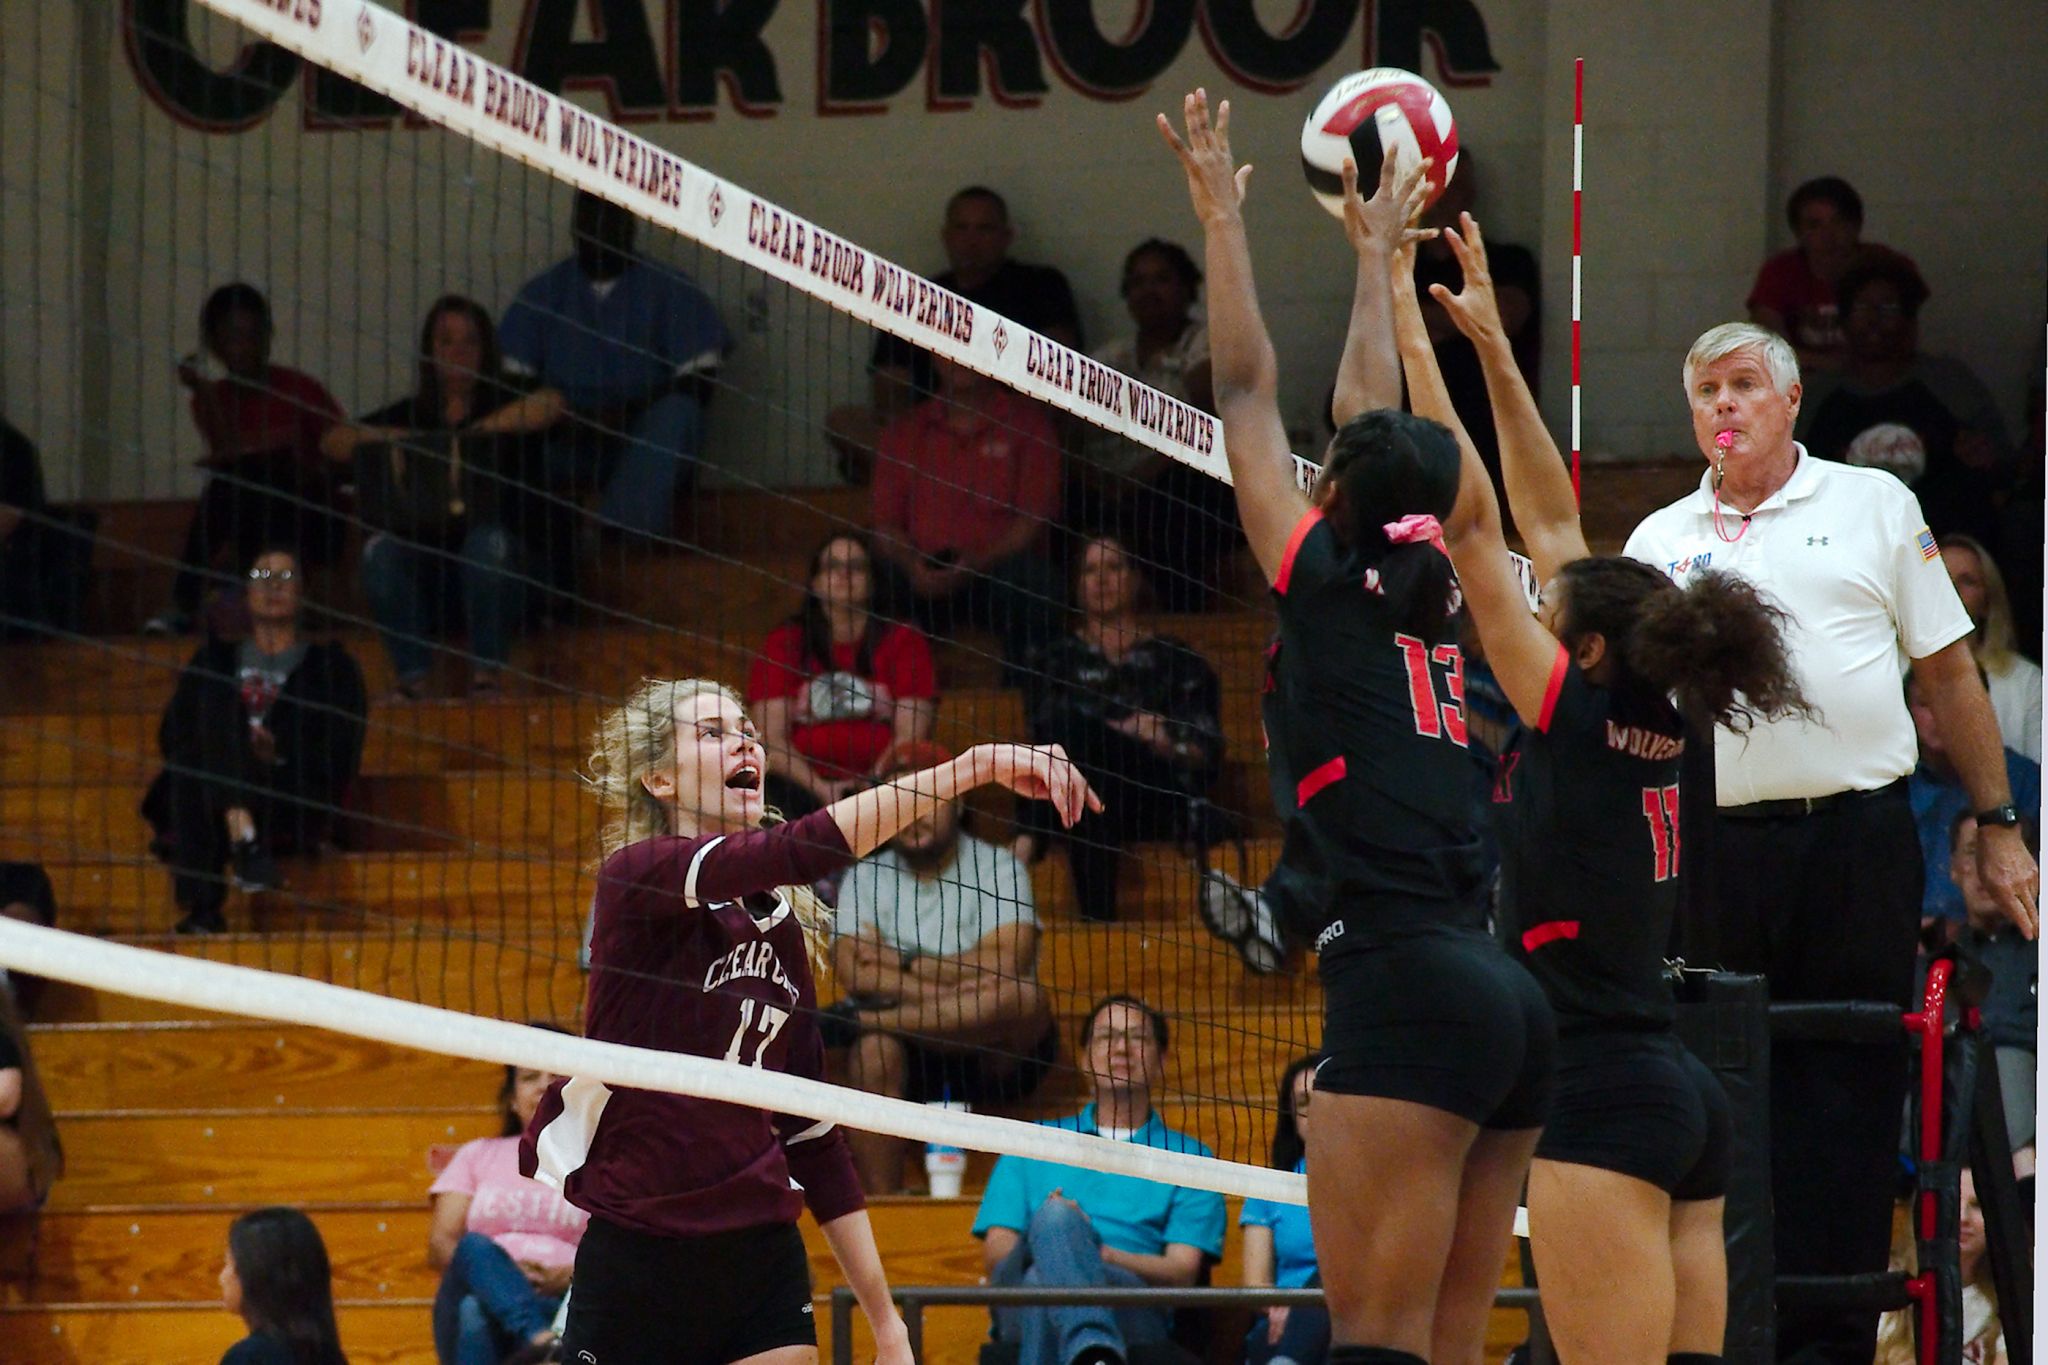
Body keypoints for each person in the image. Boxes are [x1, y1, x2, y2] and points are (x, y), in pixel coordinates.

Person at [1160, 93, 1553, 1365]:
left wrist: (1223, 222)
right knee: (1446, 1347)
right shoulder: (1436, 572)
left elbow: (1241, 388)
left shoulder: (1320, 577)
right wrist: (1378, 259)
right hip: (1504, 993)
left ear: (1328, 492)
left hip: (1403, 979)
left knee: (1376, 1346)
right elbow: (1362, 411)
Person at [1395, 213, 1820, 1363]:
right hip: (1680, 1093)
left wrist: (1405, 311)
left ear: (1578, 651)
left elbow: (1473, 520)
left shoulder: (1569, 713)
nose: (1531, 609)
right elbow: (1546, 518)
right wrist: (1493, 344)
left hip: (1595, 1089)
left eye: (1545, 612)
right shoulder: (1662, 709)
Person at [1624, 318, 2040, 1365]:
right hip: (1712, 852)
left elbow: (1947, 672)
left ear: (1791, 399)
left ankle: (1832, 1345)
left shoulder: (1873, 505)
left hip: (1854, 843)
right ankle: (1724, 1338)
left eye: (1742, 385)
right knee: (1721, 1089)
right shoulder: (1656, 541)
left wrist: (1998, 825)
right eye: (1705, 391)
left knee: (1847, 1090)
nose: (1723, 405)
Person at [520, 676, 1098, 1364]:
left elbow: (811, 1133)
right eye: (712, 732)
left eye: (748, 731)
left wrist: (886, 1321)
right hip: (640, 1245)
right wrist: (971, 768)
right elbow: (800, 849)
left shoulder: (780, 929)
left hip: (759, 1255)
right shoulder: (636, 876)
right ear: (660, 779)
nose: (744, 742)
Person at [1010, 536, 1264, 962]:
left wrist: (1161, 739)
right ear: (1076, 584)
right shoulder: (1054, 660)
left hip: (1154, 798)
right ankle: (1097, 925)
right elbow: (1045, 734)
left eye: (1113, 568)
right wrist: (1135, 729)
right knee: (1081, 760)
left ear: (1135, 578)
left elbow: (1206, 754)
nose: (1102, 580)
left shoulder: (1177, 660)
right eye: (1090, 570)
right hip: (1081, 802)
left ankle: (1034, 847)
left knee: (1077, 747)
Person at [830, 740, 1056, 1194]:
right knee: (873, 1053)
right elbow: (856, 974)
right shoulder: (864, 875)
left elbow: (1006, 965)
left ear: (959, 802)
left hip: (991, 1050)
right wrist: (959, 987)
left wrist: (902, 961)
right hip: (911, 1051)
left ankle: (863, 1021)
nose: (913, 814)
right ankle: (886, 1205)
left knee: (1022, 998)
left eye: (925, 799)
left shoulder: (999, 867)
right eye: (899, 802)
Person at [322, 296, 561, 699]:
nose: (458, 352)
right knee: (379, 552)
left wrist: (473, 436)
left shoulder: (507, 397)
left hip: (505, 573)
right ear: (430, 352)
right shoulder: (414, 412)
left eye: (470, 341)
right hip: (432, 576)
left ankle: (487, 676)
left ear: (486, 350)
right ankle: (412, 679)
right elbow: (334, 440)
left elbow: (553, 404)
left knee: (487, 545)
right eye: (446, 341)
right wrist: (419, 441)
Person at [971, 994, 1228, 1365]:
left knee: (1043, 1281)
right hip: (1020, 1294)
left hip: (1131, 1302)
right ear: (1084, 1058)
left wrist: (1092, 1252)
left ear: (1162, 1061)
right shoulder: (1032, 1143)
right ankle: (1093, 1346)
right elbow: (996, 1256)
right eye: (1107, 1037)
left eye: (1137, 1037)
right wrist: (1056, 1237)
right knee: (1055, 1221)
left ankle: (1088, 1345)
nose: (1121, 1048)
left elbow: (1181, 1271)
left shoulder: (1191, 1158)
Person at [142, 547, 368, 935]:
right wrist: (238, 748)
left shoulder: (332, 667)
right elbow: (173, 733)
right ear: (246, 593)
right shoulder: (213, 659)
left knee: (199, 764)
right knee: (212, 713)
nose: (273, 585)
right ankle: (243, 835)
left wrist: (278, 753)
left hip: (287, 789)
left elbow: (341, 746)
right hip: (206, 787)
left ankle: (203, 910)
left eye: (285, 577)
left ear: (303, 593)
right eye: (262, 576)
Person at [499, 190, 729, 546]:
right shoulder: (542, 294)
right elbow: (511, 384)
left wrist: (626, 416)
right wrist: (570, 419)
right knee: (508, 428)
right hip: (563, 442)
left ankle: (618, 537)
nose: (600, 227)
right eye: (590, 216)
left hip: (642, 441)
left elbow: (700, 383)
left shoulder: (671, 289)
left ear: (631, 224)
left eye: (611, 216)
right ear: (575, 225)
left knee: (679, 414)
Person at [827, 187, 1081, 482]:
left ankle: (942, 480)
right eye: (962, 228)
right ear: (946, 236)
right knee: (843, 421)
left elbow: (1060, 373)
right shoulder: (915, 297)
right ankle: (948, 477)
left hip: (1012, 431)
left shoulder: (1040, 285)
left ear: (1006, 236)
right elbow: (889, 387)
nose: (972, 240)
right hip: (932, 437)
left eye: (984, 229)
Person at [145, 284, 345, 637]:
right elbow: (230, 453)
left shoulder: (301, 389)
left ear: (268, 337)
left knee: (269, 481)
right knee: (233, 484)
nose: (244, 348)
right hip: (251, 517)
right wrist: (204, 392)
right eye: (232, 338)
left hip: (309, 512)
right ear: (215, 345)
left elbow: (342, 452)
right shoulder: (213, 399)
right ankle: (188, 602)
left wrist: (304, 467)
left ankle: (276, 600)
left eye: (253, 336)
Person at [1796, 255, 2015, 555]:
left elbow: (2006, 465)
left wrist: (1986, 456)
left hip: (1942, 551)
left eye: (1888, 308)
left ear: (1910, 321)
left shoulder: (1949, 382)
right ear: (1843, 320)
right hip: (1843, 550)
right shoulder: (1817, 394)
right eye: (1862, 308)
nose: (1874, 319)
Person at [868, 355, 1064, 676]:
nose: (960, 356)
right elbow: (885, 525)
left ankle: (1028, 698)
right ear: (932, 355)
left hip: (996, 575)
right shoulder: (904, 430)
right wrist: (912, 564)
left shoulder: (1028, 424)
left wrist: (977, 563)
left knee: (1036, 583)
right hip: (920, 577)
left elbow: (1033, 519)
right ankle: (886, 694)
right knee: (868, 577)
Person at [1072, 240, 1240, 610]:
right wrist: (1096, 478)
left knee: (1175, 498)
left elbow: (1207, 415)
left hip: (1180, 483)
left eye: (1161, 280)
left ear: (1187, 288)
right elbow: (1067, 427)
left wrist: (1139, 479)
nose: (1148, 291)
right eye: (1138, 282)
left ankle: (1182, 615)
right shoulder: (1111, 356)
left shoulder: (1207, 342)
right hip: (1111, 485)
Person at [745, 533, 937, 820]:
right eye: (832, 566)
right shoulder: (786, 642)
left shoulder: (904, 639)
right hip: (799, 788)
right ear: (815, 582)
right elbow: (771, 739)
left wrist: (869, 785)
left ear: (873, 581)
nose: (844, 575)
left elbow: (909, 736)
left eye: (856, 567)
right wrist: (822, 789)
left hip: (883, 786)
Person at [430, 1041, 586, 1365]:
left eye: (556, 1077)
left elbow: (617, 1253)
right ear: (512, 1099)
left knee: (475, 1312)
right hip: (478, 1295)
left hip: (565, 1304)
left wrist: (571, 1276)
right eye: (529, 1077)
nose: (543, 1085)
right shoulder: (476, 1155)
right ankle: (541, 1342)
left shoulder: (600, 1165)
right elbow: (441, 1245)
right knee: (473, 1249)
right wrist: (503, 1278)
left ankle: (540, 1338)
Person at [1405, 149, 1540, 488]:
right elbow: (1387, 329)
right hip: (1417, 439)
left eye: (1462, 186)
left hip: (1492, 434)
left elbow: (1502, 318)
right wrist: (1467, 323)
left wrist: (1425, 320)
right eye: (1445, 187)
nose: (1453, 197)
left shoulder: (1508, 261)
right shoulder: (1406, 265)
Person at [1747, 176, 1920, 373]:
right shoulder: (1780, 271)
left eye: (1839, 223)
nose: (1828, 235)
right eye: (1814, 225)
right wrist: (1831, 367)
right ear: (1799, 233)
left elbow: (1905, 342)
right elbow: (1767, 349)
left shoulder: (1889, 266)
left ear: (1856, 226)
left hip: (1877, 378)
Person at [1910, 669, 2041, 926]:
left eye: (1951, 701)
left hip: (2009, 937)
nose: (1939, 714)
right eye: (1925, 704)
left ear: (1981, 706)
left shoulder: (2027, 782)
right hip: (1908, 938)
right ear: (1907, 712)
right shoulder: (1892, 789)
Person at [1951, 811, 2040, 1159]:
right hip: (1955, 1117)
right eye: (1974, 852)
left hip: (2027, 1112)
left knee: (2004, 1057)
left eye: (1998, 853)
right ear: (1953, 869)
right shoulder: (1938, 966)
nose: (1987, 868)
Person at [1239, 1057, 1327, 1365]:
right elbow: (1255, 1285)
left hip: (1352, 1319)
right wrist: (1290, 1308)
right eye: (1304, 1102)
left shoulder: (1374, 1183)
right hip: (1279, 1325)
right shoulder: (1269, 1186)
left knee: (1333, 1275)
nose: (1314, 1111)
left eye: (1323, 1099)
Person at [1872, 1168, 2005, 1365]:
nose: (1962, 1217)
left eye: (1977, 1205)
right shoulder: (1883, 1284)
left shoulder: (2009, 1304)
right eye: (1952, 1202)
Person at [1941, 534, 2041, 762]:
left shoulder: (2026, 683)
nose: (1952, 589)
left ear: (1987, 602)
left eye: (1967, 581)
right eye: (1940, 578)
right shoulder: (1890, 669)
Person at [216, 1206, 349, 1365]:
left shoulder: (248, 1358)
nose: (221, 1277)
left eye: (228, 1263)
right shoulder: (330, 1355)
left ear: (256, 1272)